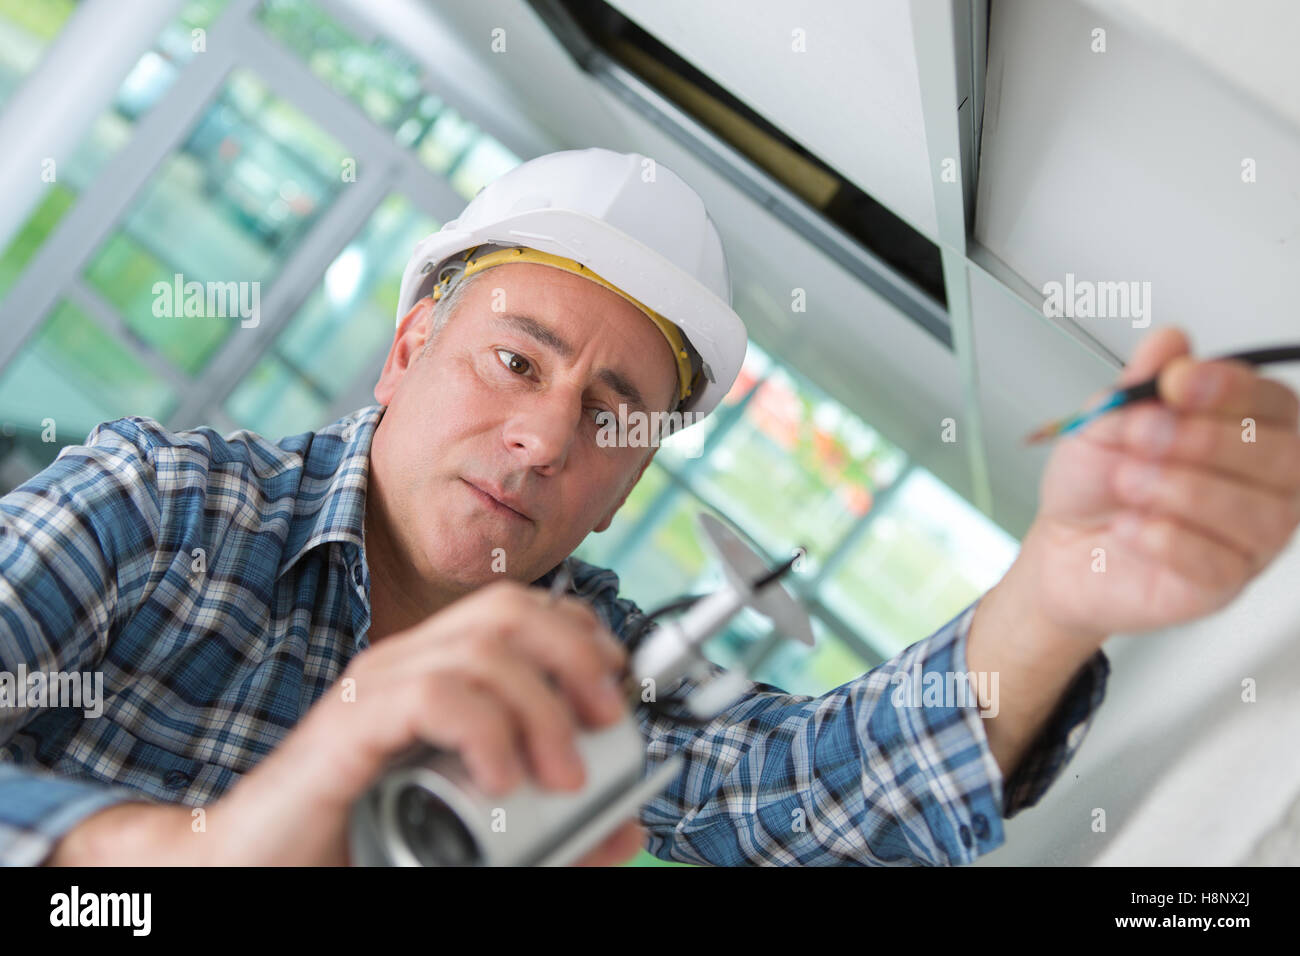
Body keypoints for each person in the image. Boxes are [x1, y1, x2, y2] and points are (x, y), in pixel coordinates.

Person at [2, 148, 1297, 866]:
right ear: (407, 350)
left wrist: (1059, 591)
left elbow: (830, 790)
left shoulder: (603, 681)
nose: (547, 432)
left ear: (630, 481)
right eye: (516, 361)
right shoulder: (155, 514)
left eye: (614, 413)